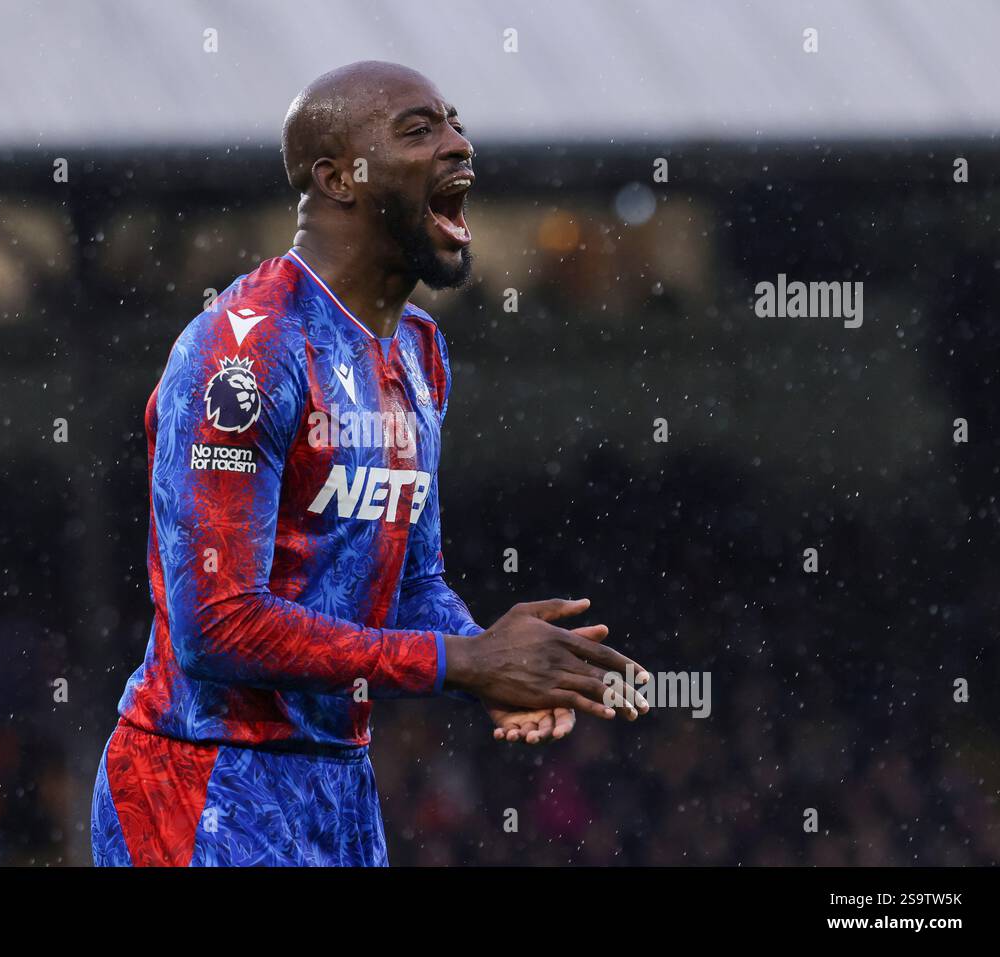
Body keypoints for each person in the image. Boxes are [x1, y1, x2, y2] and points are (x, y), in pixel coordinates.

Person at [92, 60, 649, 867]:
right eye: (419, 129)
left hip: (339, 786)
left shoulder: (420, 351)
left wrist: (485, 655)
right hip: (203, 778)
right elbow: (216, 626)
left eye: (455, 122)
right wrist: (458, 661)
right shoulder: (244, 352)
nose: (459, 143)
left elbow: (411, 582)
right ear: (337, 178)